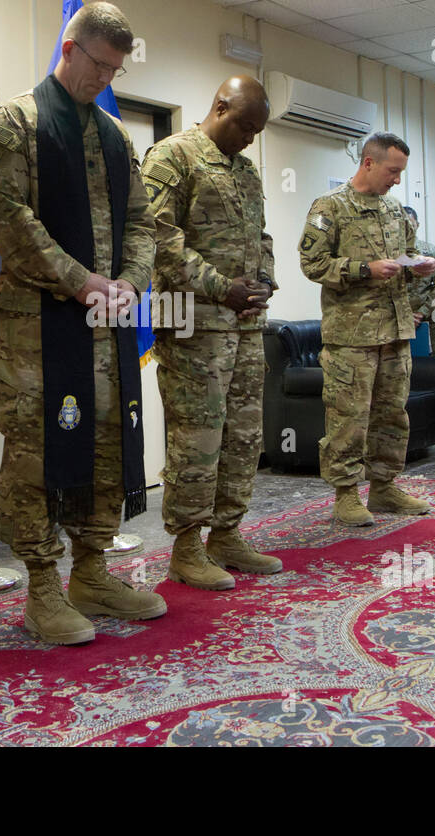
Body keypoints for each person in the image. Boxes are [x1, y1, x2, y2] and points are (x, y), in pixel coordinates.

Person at [0, 1, 165, 645]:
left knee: (105, 446)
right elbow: (8, 219)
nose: (105, 81)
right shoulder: (15, 124)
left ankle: (91, 572)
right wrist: (82, 282)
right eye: (99, 65)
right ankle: (41, 589)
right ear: (69, 47)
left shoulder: (114, 137)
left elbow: (142, 222)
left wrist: (131, 285)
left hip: (106, 328)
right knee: (36, 457)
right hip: (38, 330)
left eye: (116, 71)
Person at [142, 76, 279, 591]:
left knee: (243, 432)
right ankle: (185, 548)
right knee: (197, 432)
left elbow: (260, 235)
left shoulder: (245, 172)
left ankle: (227, 534)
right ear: (220, 106)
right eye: (246, 126)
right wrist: (222, 287)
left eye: (258, 130)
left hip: (244, 320)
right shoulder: (171, 157)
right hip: (192, 319)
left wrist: (265, 280)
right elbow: (159, 238)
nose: (250, 138)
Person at [298, 132, 435, 527]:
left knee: (392, 415)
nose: (397, 179)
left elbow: (405, 255)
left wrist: (418, 264)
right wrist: (364, 269)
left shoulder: (395, 210)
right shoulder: (331, 206)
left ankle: (384, 486)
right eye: (393, 171)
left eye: (401, 173)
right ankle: (345, 494)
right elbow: (312, 263)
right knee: (349, 417)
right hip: (351, 336)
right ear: (369, 163)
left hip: (395, 331)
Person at [403, 205, 435, 355]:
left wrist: (422, 313)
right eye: (403, 224)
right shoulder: (387, 253)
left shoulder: (431, 252)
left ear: (417, 225)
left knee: (430, 363)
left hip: (427, 319)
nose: (408, 228)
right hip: (394, 321)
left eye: (411, 223)